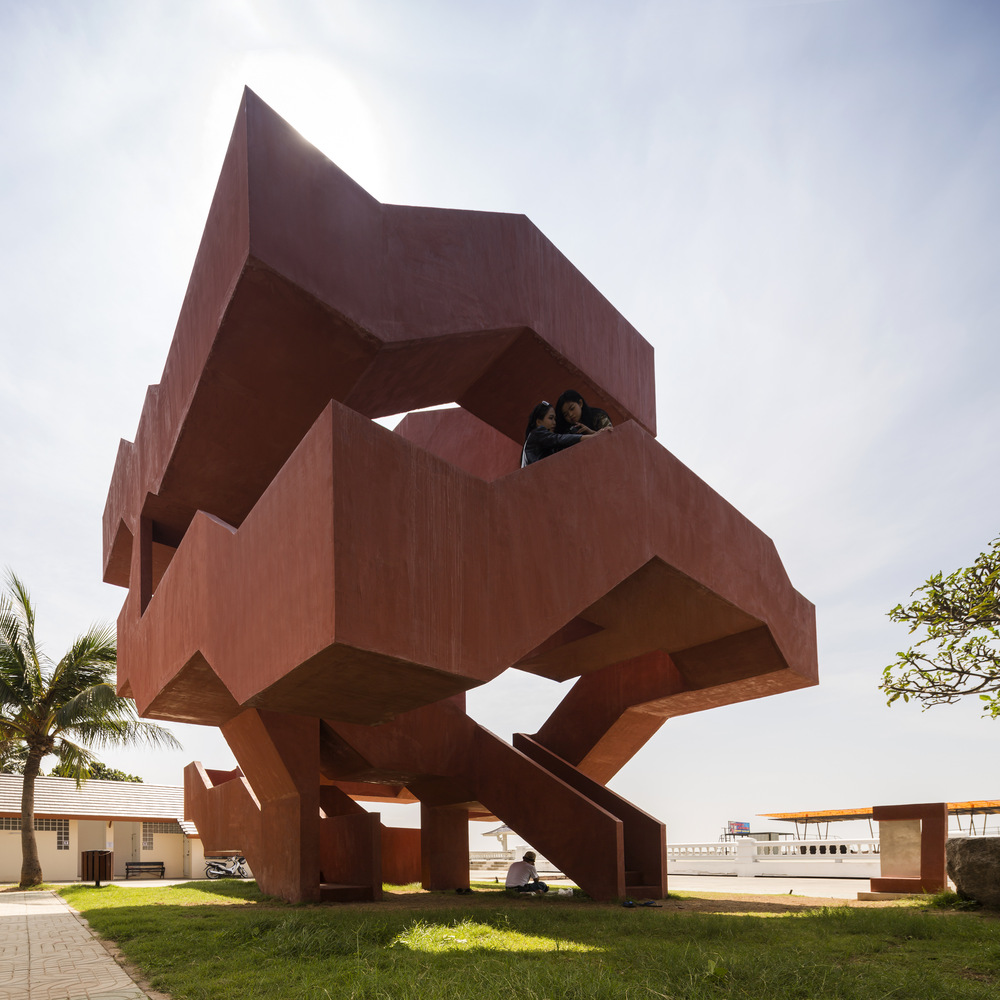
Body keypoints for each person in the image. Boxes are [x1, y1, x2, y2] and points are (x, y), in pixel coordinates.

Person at [521, 401, 585, 467]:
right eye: (550, 418)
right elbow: (558, 439)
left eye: (555, 419)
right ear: (538, 422)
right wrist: (586, 437)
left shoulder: (537, 439)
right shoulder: (537, 433)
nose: (554, 422)